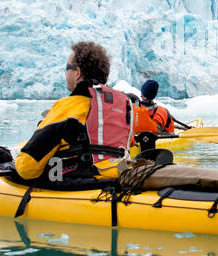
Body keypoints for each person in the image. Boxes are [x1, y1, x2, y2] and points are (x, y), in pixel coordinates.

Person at [14, 42, 133, 181]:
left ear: (77, 73)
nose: (65, 73)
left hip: (82, 181)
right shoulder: (124, 105)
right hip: (120, 176)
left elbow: (27, 169)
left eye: (67, 68)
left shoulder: (67, 106)